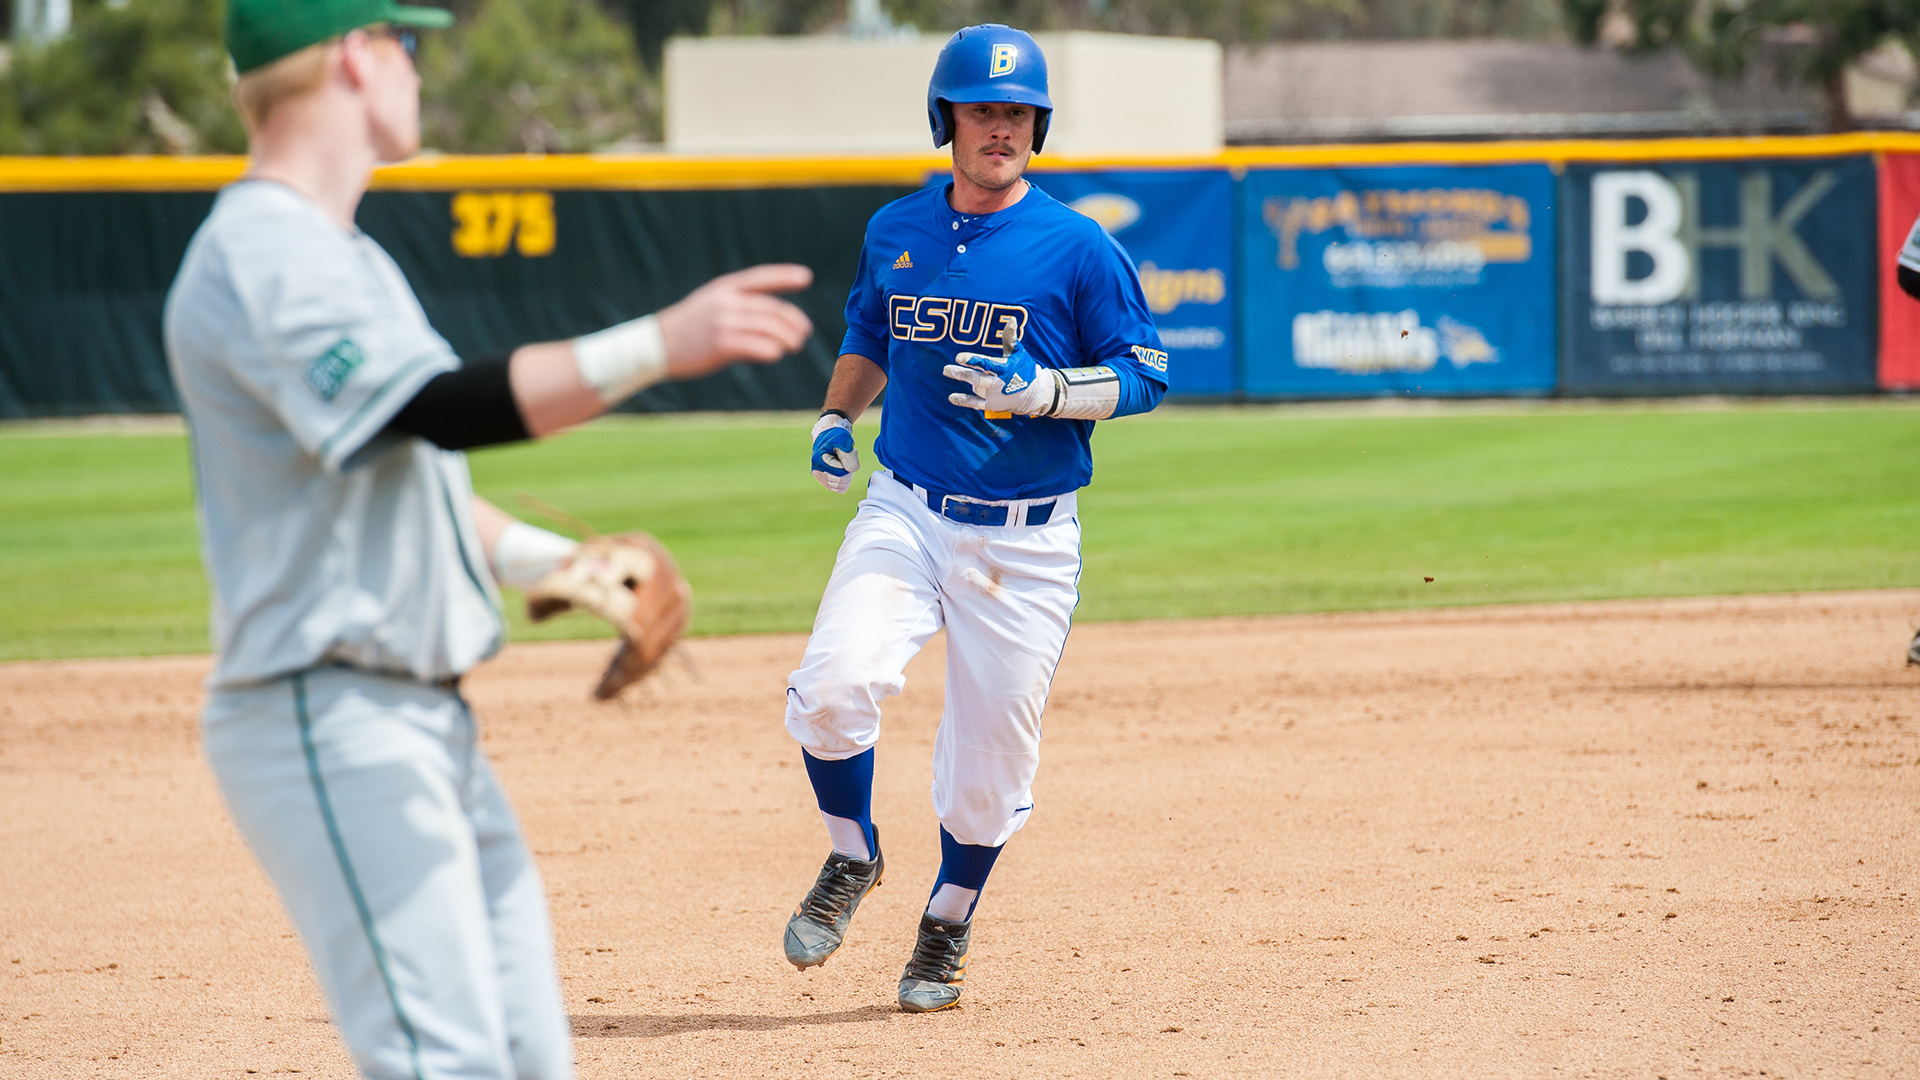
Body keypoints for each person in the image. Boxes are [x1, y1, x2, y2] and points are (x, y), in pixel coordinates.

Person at [163, 2, 813, 1076]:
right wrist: (662, 342)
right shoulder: (265, 250)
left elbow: (408, 474)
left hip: (417, 721)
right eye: (408, 44)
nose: (420, 68)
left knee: (524, 1057)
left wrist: (551, 565)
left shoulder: (343, 256)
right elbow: (442, 409)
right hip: (332, 714)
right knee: (449, 1062)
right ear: (355, 56)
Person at [778, 24, 1170, 1013]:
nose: (1002, 128)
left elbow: (1145, 375)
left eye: (1019, 114)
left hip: (1025, 542)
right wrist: (835, 417)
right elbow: (870, 331)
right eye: (983, 110)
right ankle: (852, 854)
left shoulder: (1079, 246)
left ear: (1039, 127)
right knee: (832, 687)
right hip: (905, 508)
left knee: (989, 775)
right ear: (945, 120)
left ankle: (947, 920)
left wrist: (1048, 392)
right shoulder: (895, 228)